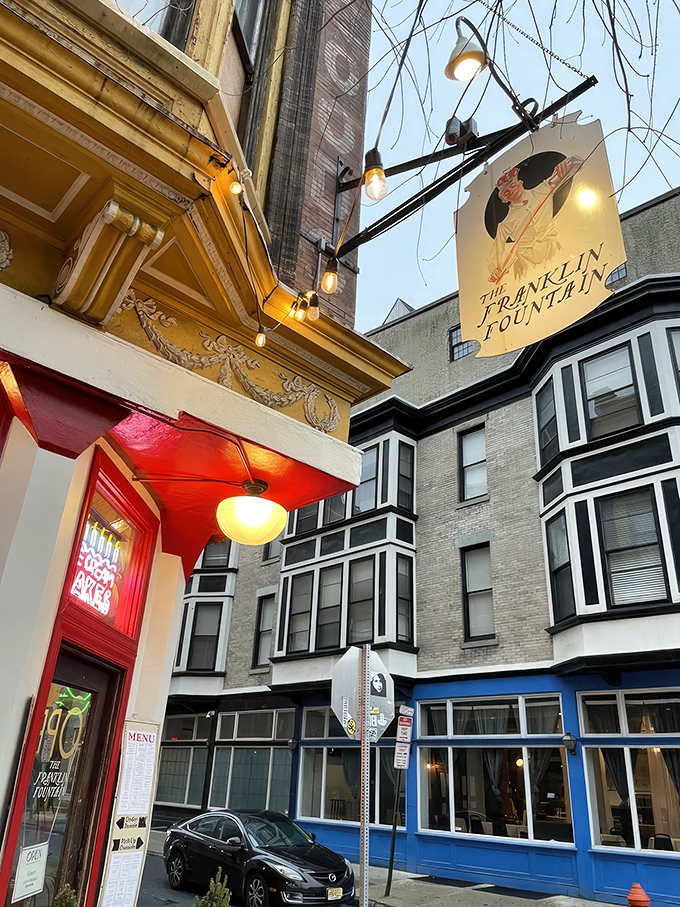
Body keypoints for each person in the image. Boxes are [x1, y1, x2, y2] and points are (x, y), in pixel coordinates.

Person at [488, 155, 583, 284]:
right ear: (504, 199)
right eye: (506, 192)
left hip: (554, 251)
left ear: (520, 183)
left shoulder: (542, 190)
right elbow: (496, 252)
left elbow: (577, 164)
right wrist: (495, 269)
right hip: (525, 265)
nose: (512, 191)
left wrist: (565, 165)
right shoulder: (505, 224)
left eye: (513, 185)